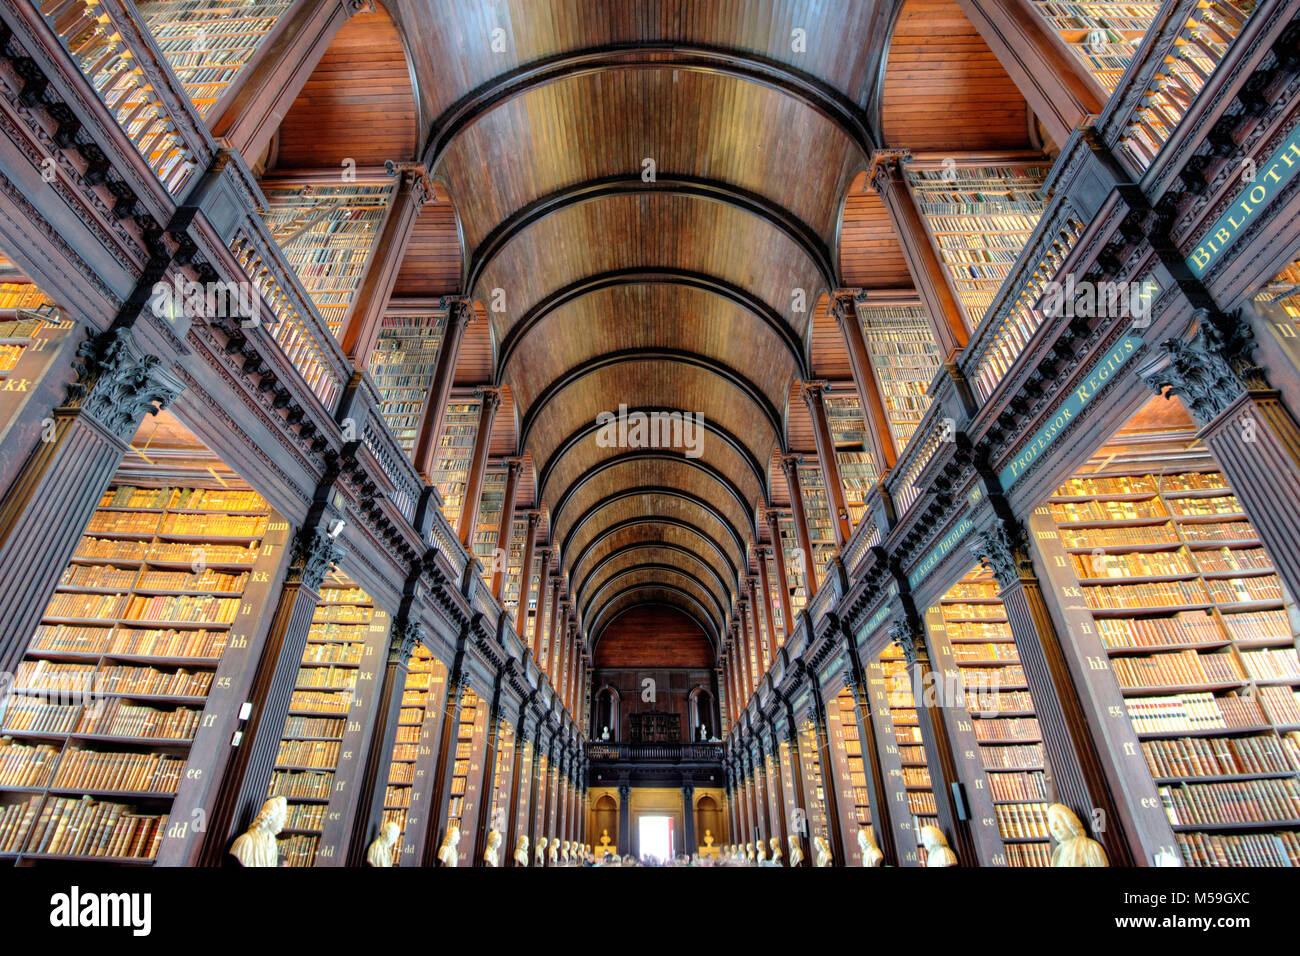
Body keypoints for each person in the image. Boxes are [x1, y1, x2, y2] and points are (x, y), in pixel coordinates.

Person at [230, 795, 287, 867]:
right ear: (270, 816)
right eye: (281, 816)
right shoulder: (246, 841)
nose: (284, 821)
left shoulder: (273, 846)